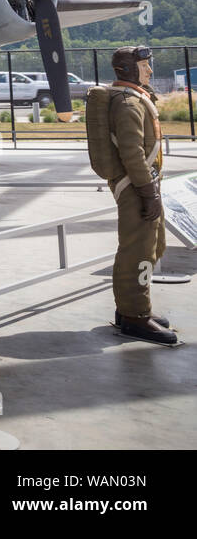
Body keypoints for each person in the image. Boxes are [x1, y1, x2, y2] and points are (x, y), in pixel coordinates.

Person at [96, 46, 174, 345]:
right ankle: (135, 316)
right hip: (135, 186)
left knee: (148, 246)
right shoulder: (128, 103)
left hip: (141, 184)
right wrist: (146, 192)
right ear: (127, 70)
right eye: (144, 66)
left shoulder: (134, 98)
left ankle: (130, 308)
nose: (149, 71)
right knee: (137, 251)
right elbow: (132, 153)